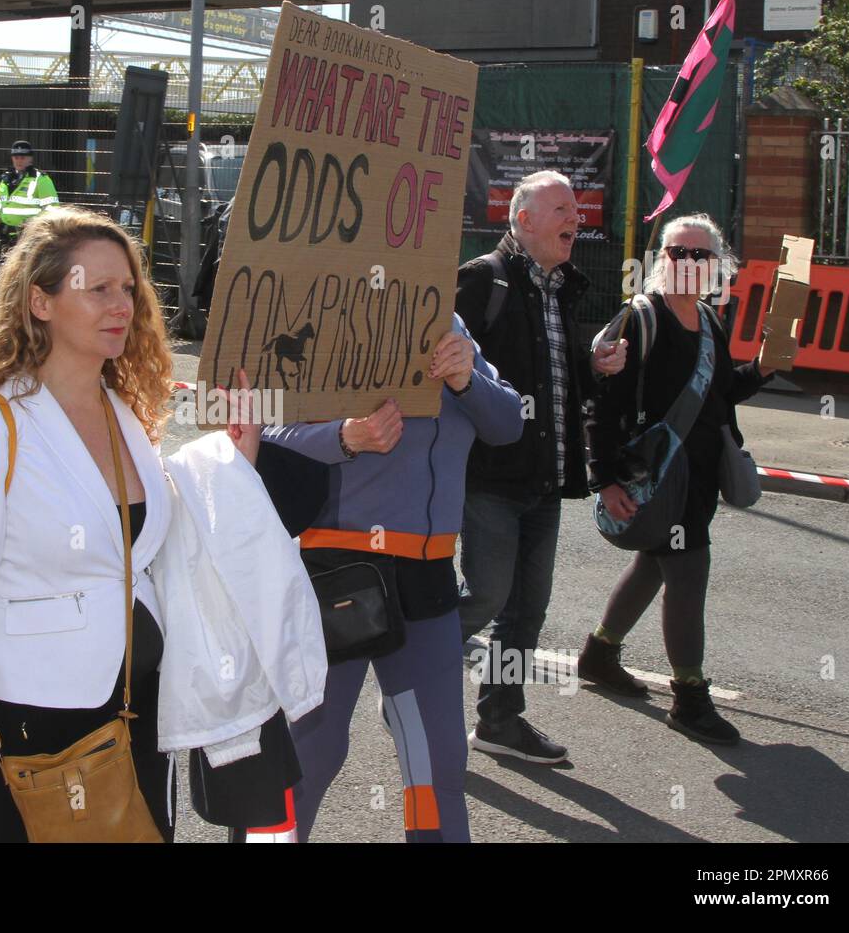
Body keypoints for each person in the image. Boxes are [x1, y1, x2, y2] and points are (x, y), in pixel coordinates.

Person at [0, 205, 265, 843]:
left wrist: (234, 462)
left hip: (140, 708)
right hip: (39, 722)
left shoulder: (124, 413)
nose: (122, 305)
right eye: (98, 288)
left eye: (128, 288)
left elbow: (150, 546)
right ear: (41, 302)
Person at [260, 321, 525, 842]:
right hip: (339, 573)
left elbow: (510, 422)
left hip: (428, 582)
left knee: (436, 766)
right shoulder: (328, 307)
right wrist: (344, 437)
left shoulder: (449, 324)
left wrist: (467, 381)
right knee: (312, 753)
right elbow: (261, 429)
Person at [581, 213, 776, 745]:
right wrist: (605, 481)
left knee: (654, 563)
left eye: (699, 254)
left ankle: (600, 653)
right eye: (677, 252)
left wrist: (762, 369)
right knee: (688, 572)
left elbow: (720, 395)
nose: (688, 262)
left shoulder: (710, 321)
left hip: (698, 479)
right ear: (661, 260)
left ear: (718, 265)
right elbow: (601, 405)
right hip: (655, 478)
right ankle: (689, 697)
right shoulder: (641, 319)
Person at [454, 170, 627, 765]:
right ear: (524, 219)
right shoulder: (483, 280)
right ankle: (412, 679)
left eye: (576, 210)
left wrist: (592, 367)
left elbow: (553, 378)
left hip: (545, 479)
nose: (576, 218)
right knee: (484, 597)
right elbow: (447, 374)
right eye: (562, 210)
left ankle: (500, 720)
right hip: (489, 478)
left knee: (527, 610)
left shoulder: (559, 288)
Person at [0, 140, 58, 252]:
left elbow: (51, 208)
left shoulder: (41, 179)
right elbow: (1, 201)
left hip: (30, 237)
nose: (19, 161)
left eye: (23, 158)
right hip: (7, 234)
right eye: (16, 157)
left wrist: (39, 229)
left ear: (30, 159)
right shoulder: (6, 179)